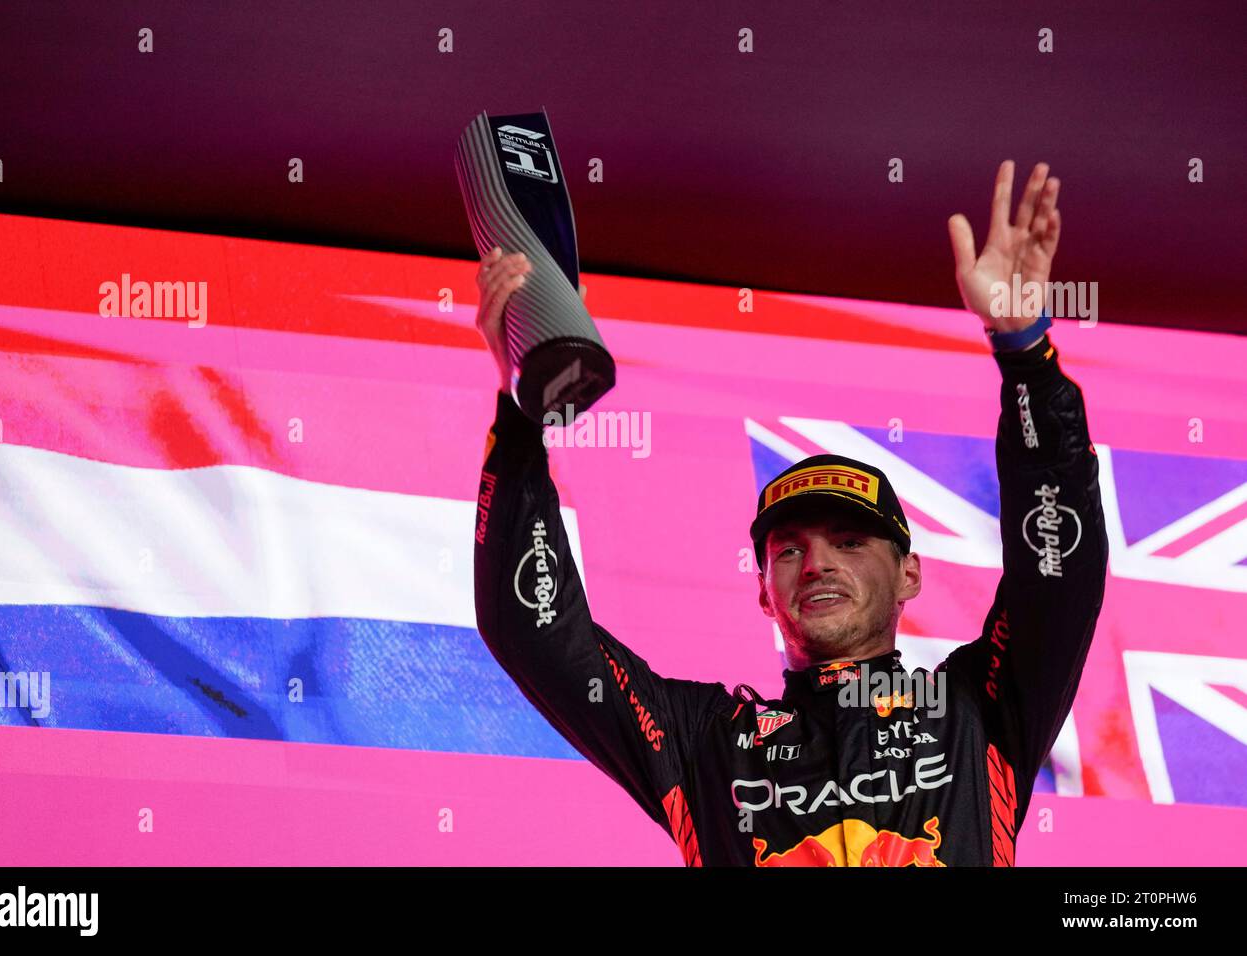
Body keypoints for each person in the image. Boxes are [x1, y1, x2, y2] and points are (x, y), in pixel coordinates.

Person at [471, 161, 1107, 866]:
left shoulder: (977, 711)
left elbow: (1059, 571)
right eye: (789, 550)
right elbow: (534, 632)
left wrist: (1027, 356)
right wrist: (522, 419)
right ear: (764, 594)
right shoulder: (706, 742)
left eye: (850, 540)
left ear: (910, 575)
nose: (819, 563)